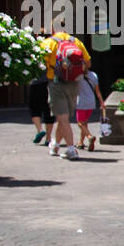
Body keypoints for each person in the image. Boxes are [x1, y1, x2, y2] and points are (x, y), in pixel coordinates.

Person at [45, 31, 90, 160]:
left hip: (56, 83)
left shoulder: (48, 43)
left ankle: (71, 149)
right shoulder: (76, 42)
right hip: (75, 83)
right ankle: (55, 145)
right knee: (63, 118)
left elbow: (40, 63)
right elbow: (88, 63)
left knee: (62, 118)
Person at [28, 29, 53, 145]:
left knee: (34, 108)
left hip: (35, 83)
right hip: (50, 83)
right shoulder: (52, 48)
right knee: (48, 110)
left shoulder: (34, 49)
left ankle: (40, 130)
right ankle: (48, 138)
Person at [75, 64, 104, 152]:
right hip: (91, 102)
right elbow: (97, 91)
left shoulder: (77, 76)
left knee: (80, 123)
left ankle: (89, 137)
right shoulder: (94, 75)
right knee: (84, 123)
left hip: (81, 102)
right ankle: (80, 142)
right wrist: (102, 102)